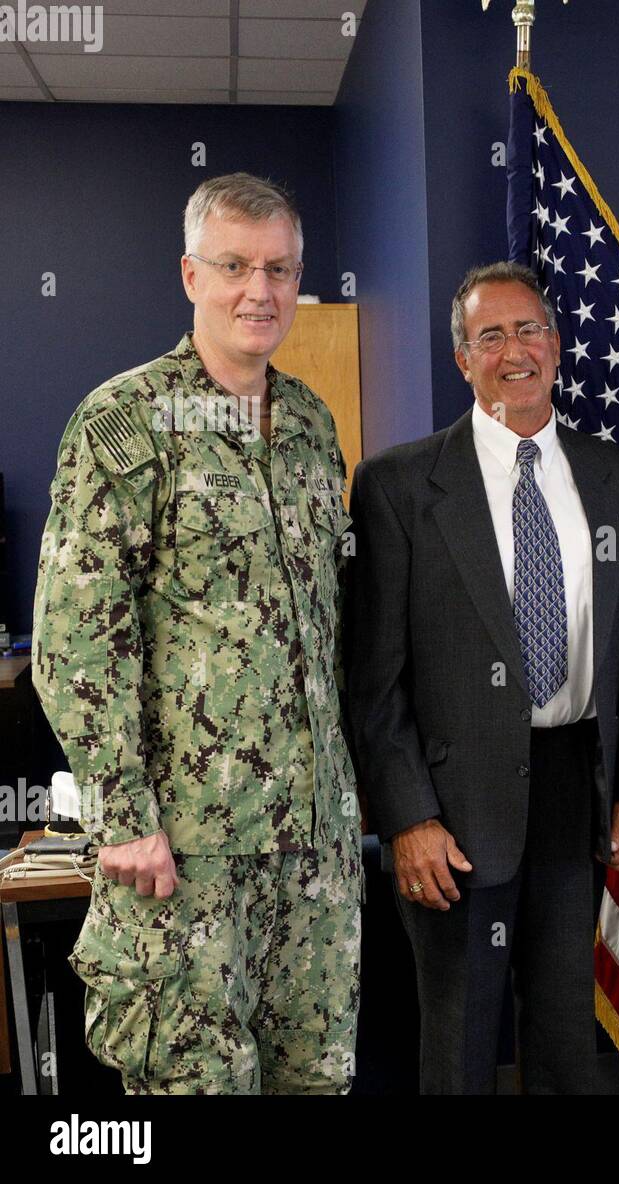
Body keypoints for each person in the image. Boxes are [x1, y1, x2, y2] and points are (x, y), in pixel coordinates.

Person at [31, 173, 360, 1094]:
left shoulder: (307, 423)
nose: (259, 290)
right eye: (235, 267)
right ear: (189, 275)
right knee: (197, 1083)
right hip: (186, 854)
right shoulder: (124, 421)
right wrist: (125, 818)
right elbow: (75, 637)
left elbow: (329, 618)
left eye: (280, 269)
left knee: (316, 1081)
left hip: (314, 856)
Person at [345, 261, 619, 1095]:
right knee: (460, 1042)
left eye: (528, 331)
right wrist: (406, 817)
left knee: (563, 1034)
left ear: (556, 347)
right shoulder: (398, 486)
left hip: (573, 788)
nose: (513, 350)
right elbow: (373, 680)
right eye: (491, 336)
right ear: (463, 359)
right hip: (454, 804)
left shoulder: (613, 475)